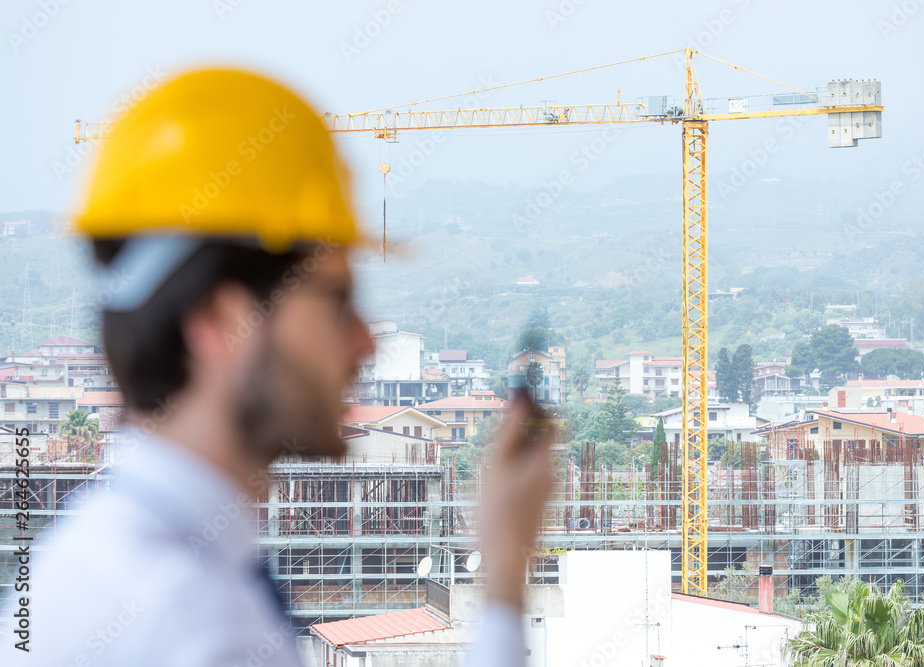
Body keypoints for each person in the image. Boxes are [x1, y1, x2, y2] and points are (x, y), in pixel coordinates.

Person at [1, 69, 555, 666]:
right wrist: (502, 591)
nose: (366, 341)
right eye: (337, 302)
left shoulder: (122, 566)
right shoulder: (188, 623)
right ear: (220, 317)